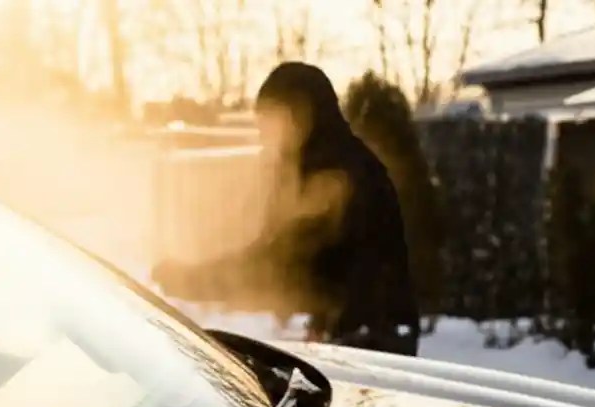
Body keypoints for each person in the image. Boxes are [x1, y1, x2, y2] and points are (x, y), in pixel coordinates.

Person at [153, 62, 419, 356]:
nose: (266, 137)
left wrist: (190, 280)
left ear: (301, 114)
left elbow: (276, 265)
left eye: (271, 121)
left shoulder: (335, 179)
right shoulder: (325, 164)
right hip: (359, 338)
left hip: (369, 348)